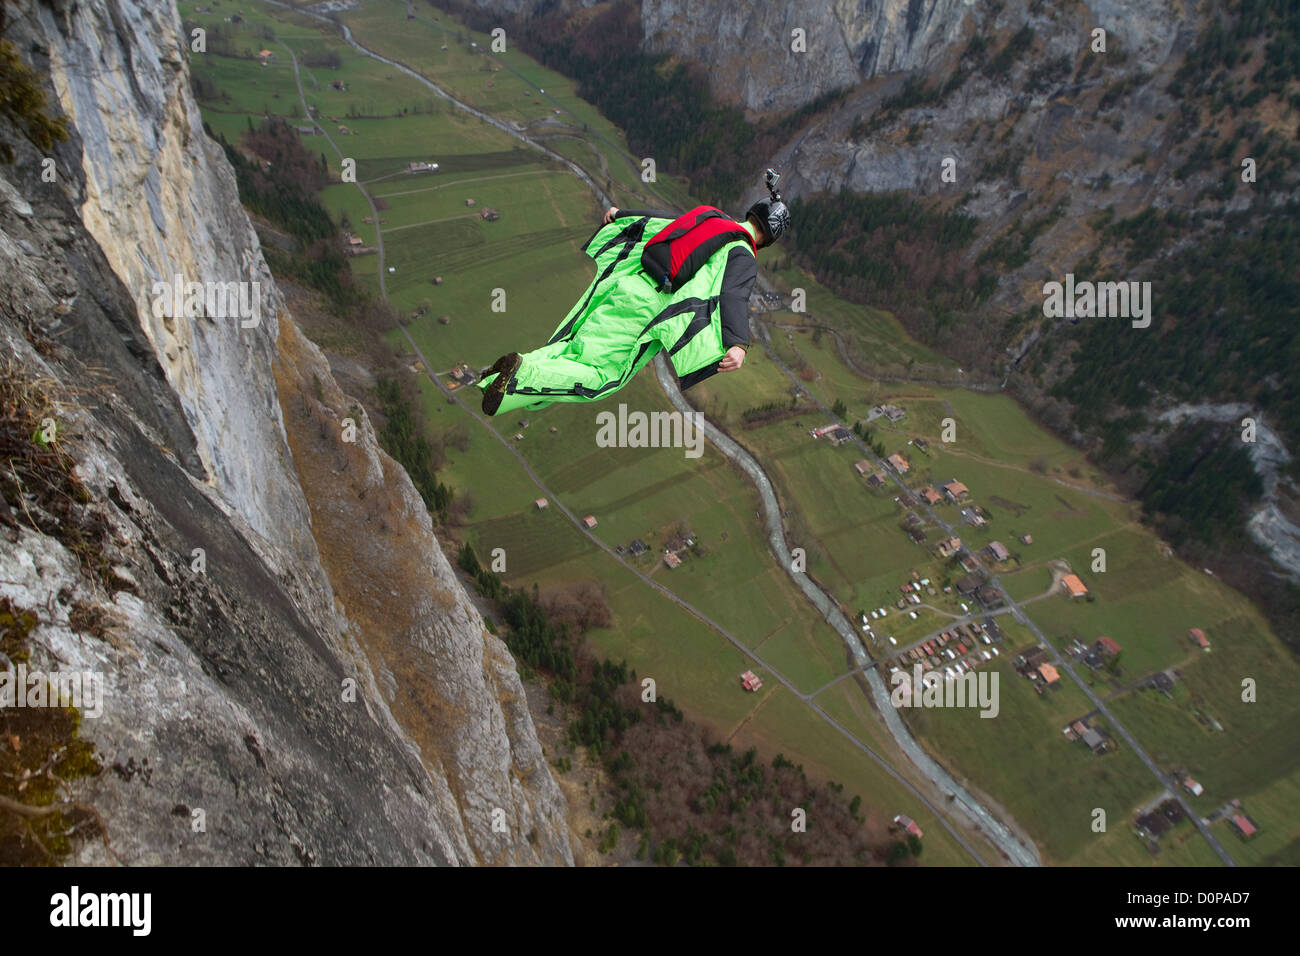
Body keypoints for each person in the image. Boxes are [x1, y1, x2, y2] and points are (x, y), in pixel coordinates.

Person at [476, 171, 790, 416]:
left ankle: (499, 379)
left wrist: (621, 213)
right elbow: (733, 295)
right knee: (602, 377)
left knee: (576, 347)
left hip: (625, 285)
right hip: (648, 311)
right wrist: (738, 344)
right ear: (769, 239)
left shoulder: (711, 217)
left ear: (753, 212)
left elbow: (663, 222)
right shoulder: (742, 253)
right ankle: (521, 373)